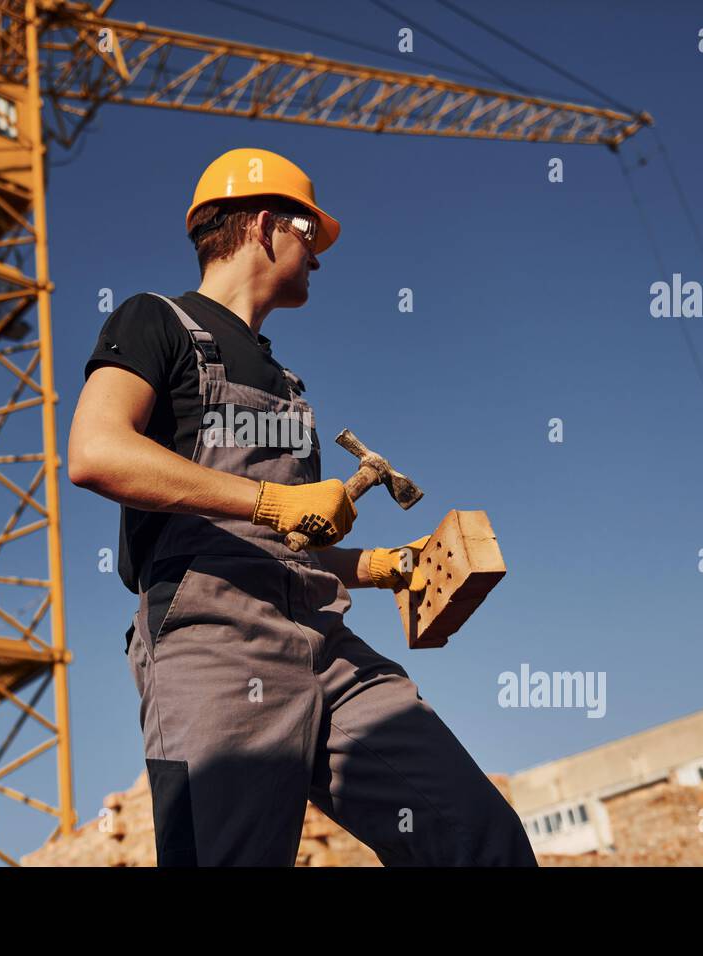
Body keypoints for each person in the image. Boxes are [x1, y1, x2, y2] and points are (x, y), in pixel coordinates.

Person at [68, 147, 536, 867]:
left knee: (479, 839)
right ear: (264, 225)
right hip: (216, 643)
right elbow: (97, 451)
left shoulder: (287, 386)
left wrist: (382, 565)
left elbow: (290, 541)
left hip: (327, 641)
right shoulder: (155, 321)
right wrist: (271, 498)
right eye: (309, 234)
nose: (317, 257)